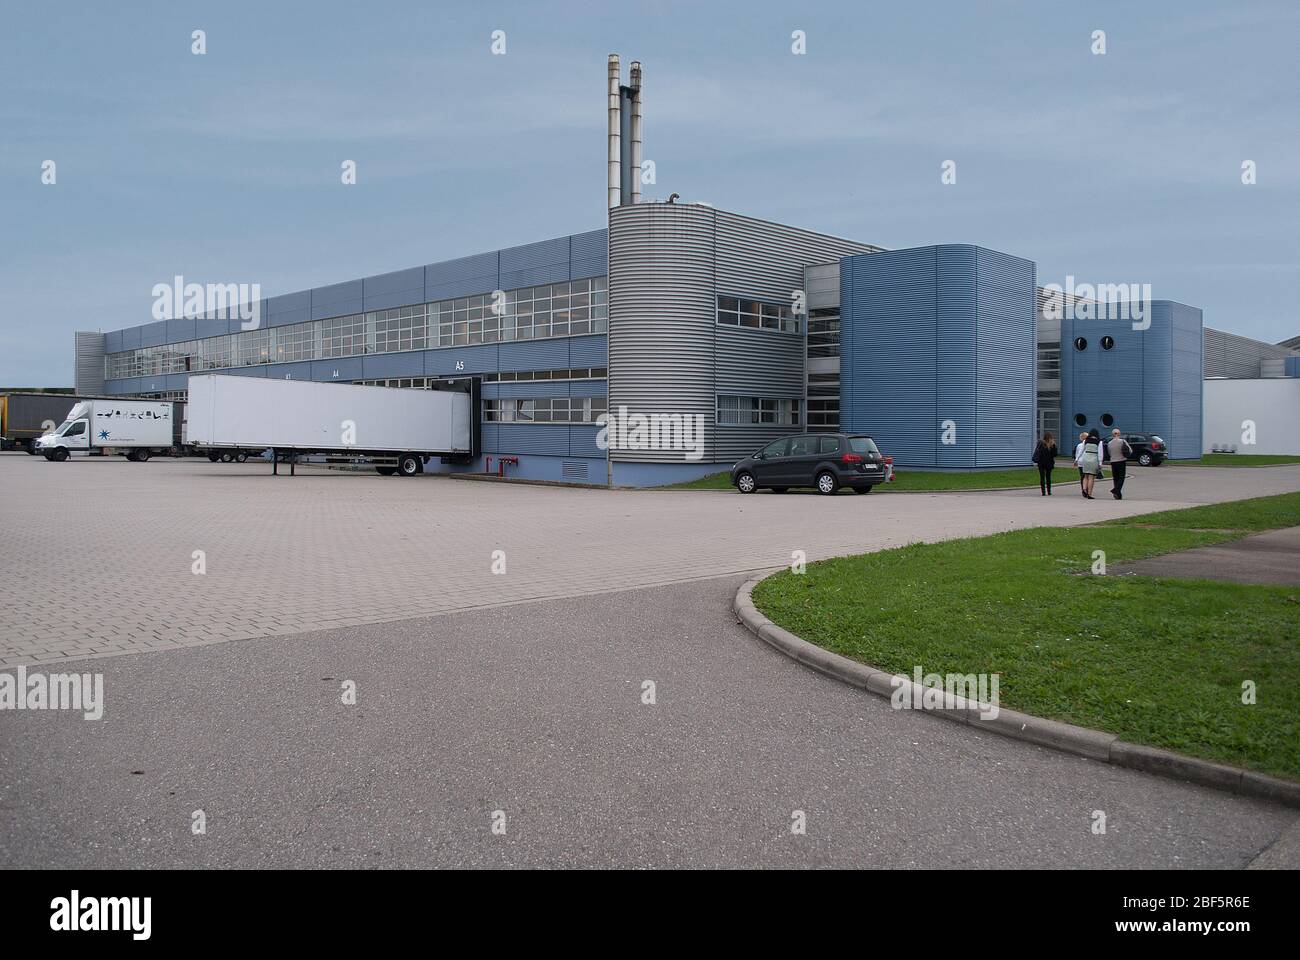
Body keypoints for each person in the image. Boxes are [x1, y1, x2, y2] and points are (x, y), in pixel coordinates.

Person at [1107, 428, 1132, 499]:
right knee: (1121, 477)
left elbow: (1109, 452)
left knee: (1115, 478)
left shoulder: (1109, 443)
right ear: (1119, 434)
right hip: (1121, 460)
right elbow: (1130, 450)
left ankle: (1118, 495)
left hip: (1113, 461)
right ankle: (1116, 490)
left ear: (1112, 434)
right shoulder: (1122, 441)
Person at [1078, 429, 1103, 499]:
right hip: (1094, 458)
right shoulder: (1099, 442)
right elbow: (1100, 453)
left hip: (1086, 457)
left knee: (1085, 476)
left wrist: (1077, 459)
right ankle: (1089, 493)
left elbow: (1081, 450)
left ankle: (1084, 489)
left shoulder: (1085, 440)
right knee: (1091, 477)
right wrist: (1100, 463)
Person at [1032, 431, 1058, 496]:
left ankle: (1043, 492)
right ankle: (1049, 491)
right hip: (1049, 463)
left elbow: (1038, 452)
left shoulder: (1040, 443)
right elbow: (1055, 454)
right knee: (1048, 477)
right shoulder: (1053, 444)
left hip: (1041, 463)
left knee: (1042, 477)